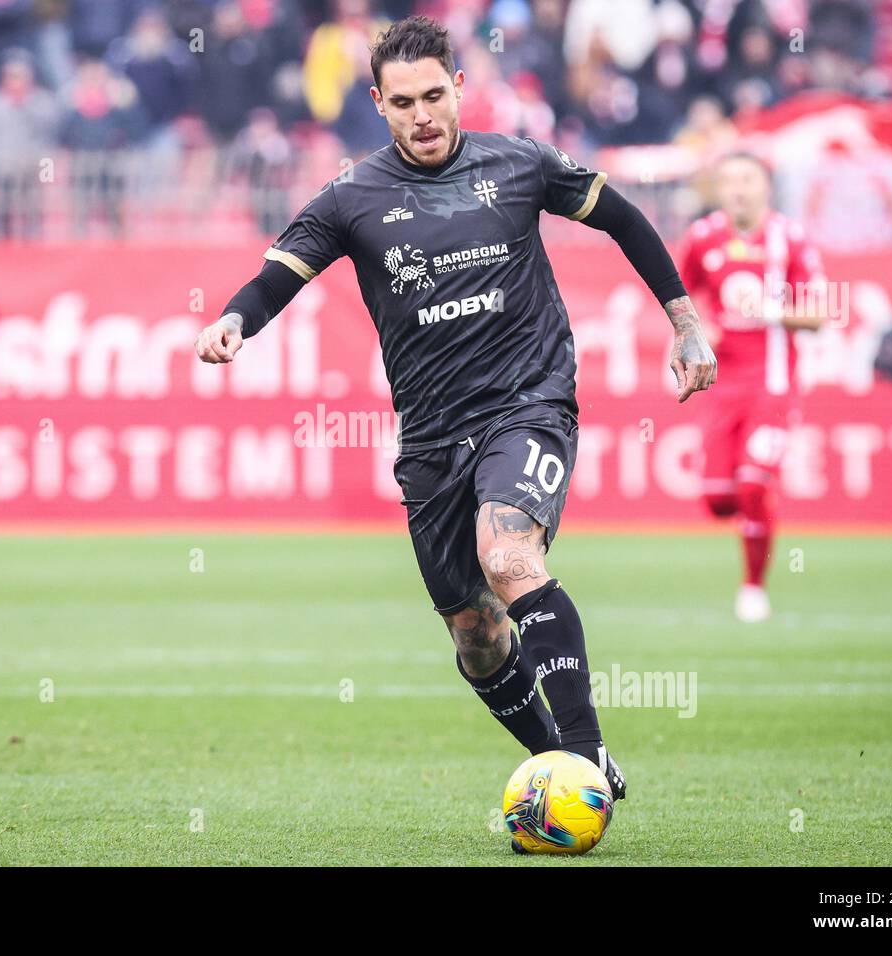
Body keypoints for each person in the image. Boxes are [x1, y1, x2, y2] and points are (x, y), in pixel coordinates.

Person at [195, 17, 718, 811]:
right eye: (403, 102)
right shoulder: (352, 197)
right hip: (432, 438)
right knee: (476, 636)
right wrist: (235, 319)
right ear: (377, 102)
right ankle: (567, 770)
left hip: (527, 402)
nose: (423, 115)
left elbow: (624, 221)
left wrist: (683, 321)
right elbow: (278, 274)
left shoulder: (520, 164)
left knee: (508, 556)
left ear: (460, 87)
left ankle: (582, 754)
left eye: (435, 95)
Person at [680, 152, 826, 622]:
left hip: (773, 385)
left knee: (753, 483)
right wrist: (698, 329)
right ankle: (749, 515)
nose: (738, 189)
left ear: (767, 186)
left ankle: (752, 588)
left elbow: (819, 315)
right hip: (723, 386)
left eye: (747, 180)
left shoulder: (791, 239)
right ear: (718, 191)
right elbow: (677, 299)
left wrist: (769, 310)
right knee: (719, 497)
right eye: (729, 181)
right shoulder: (703, 239)